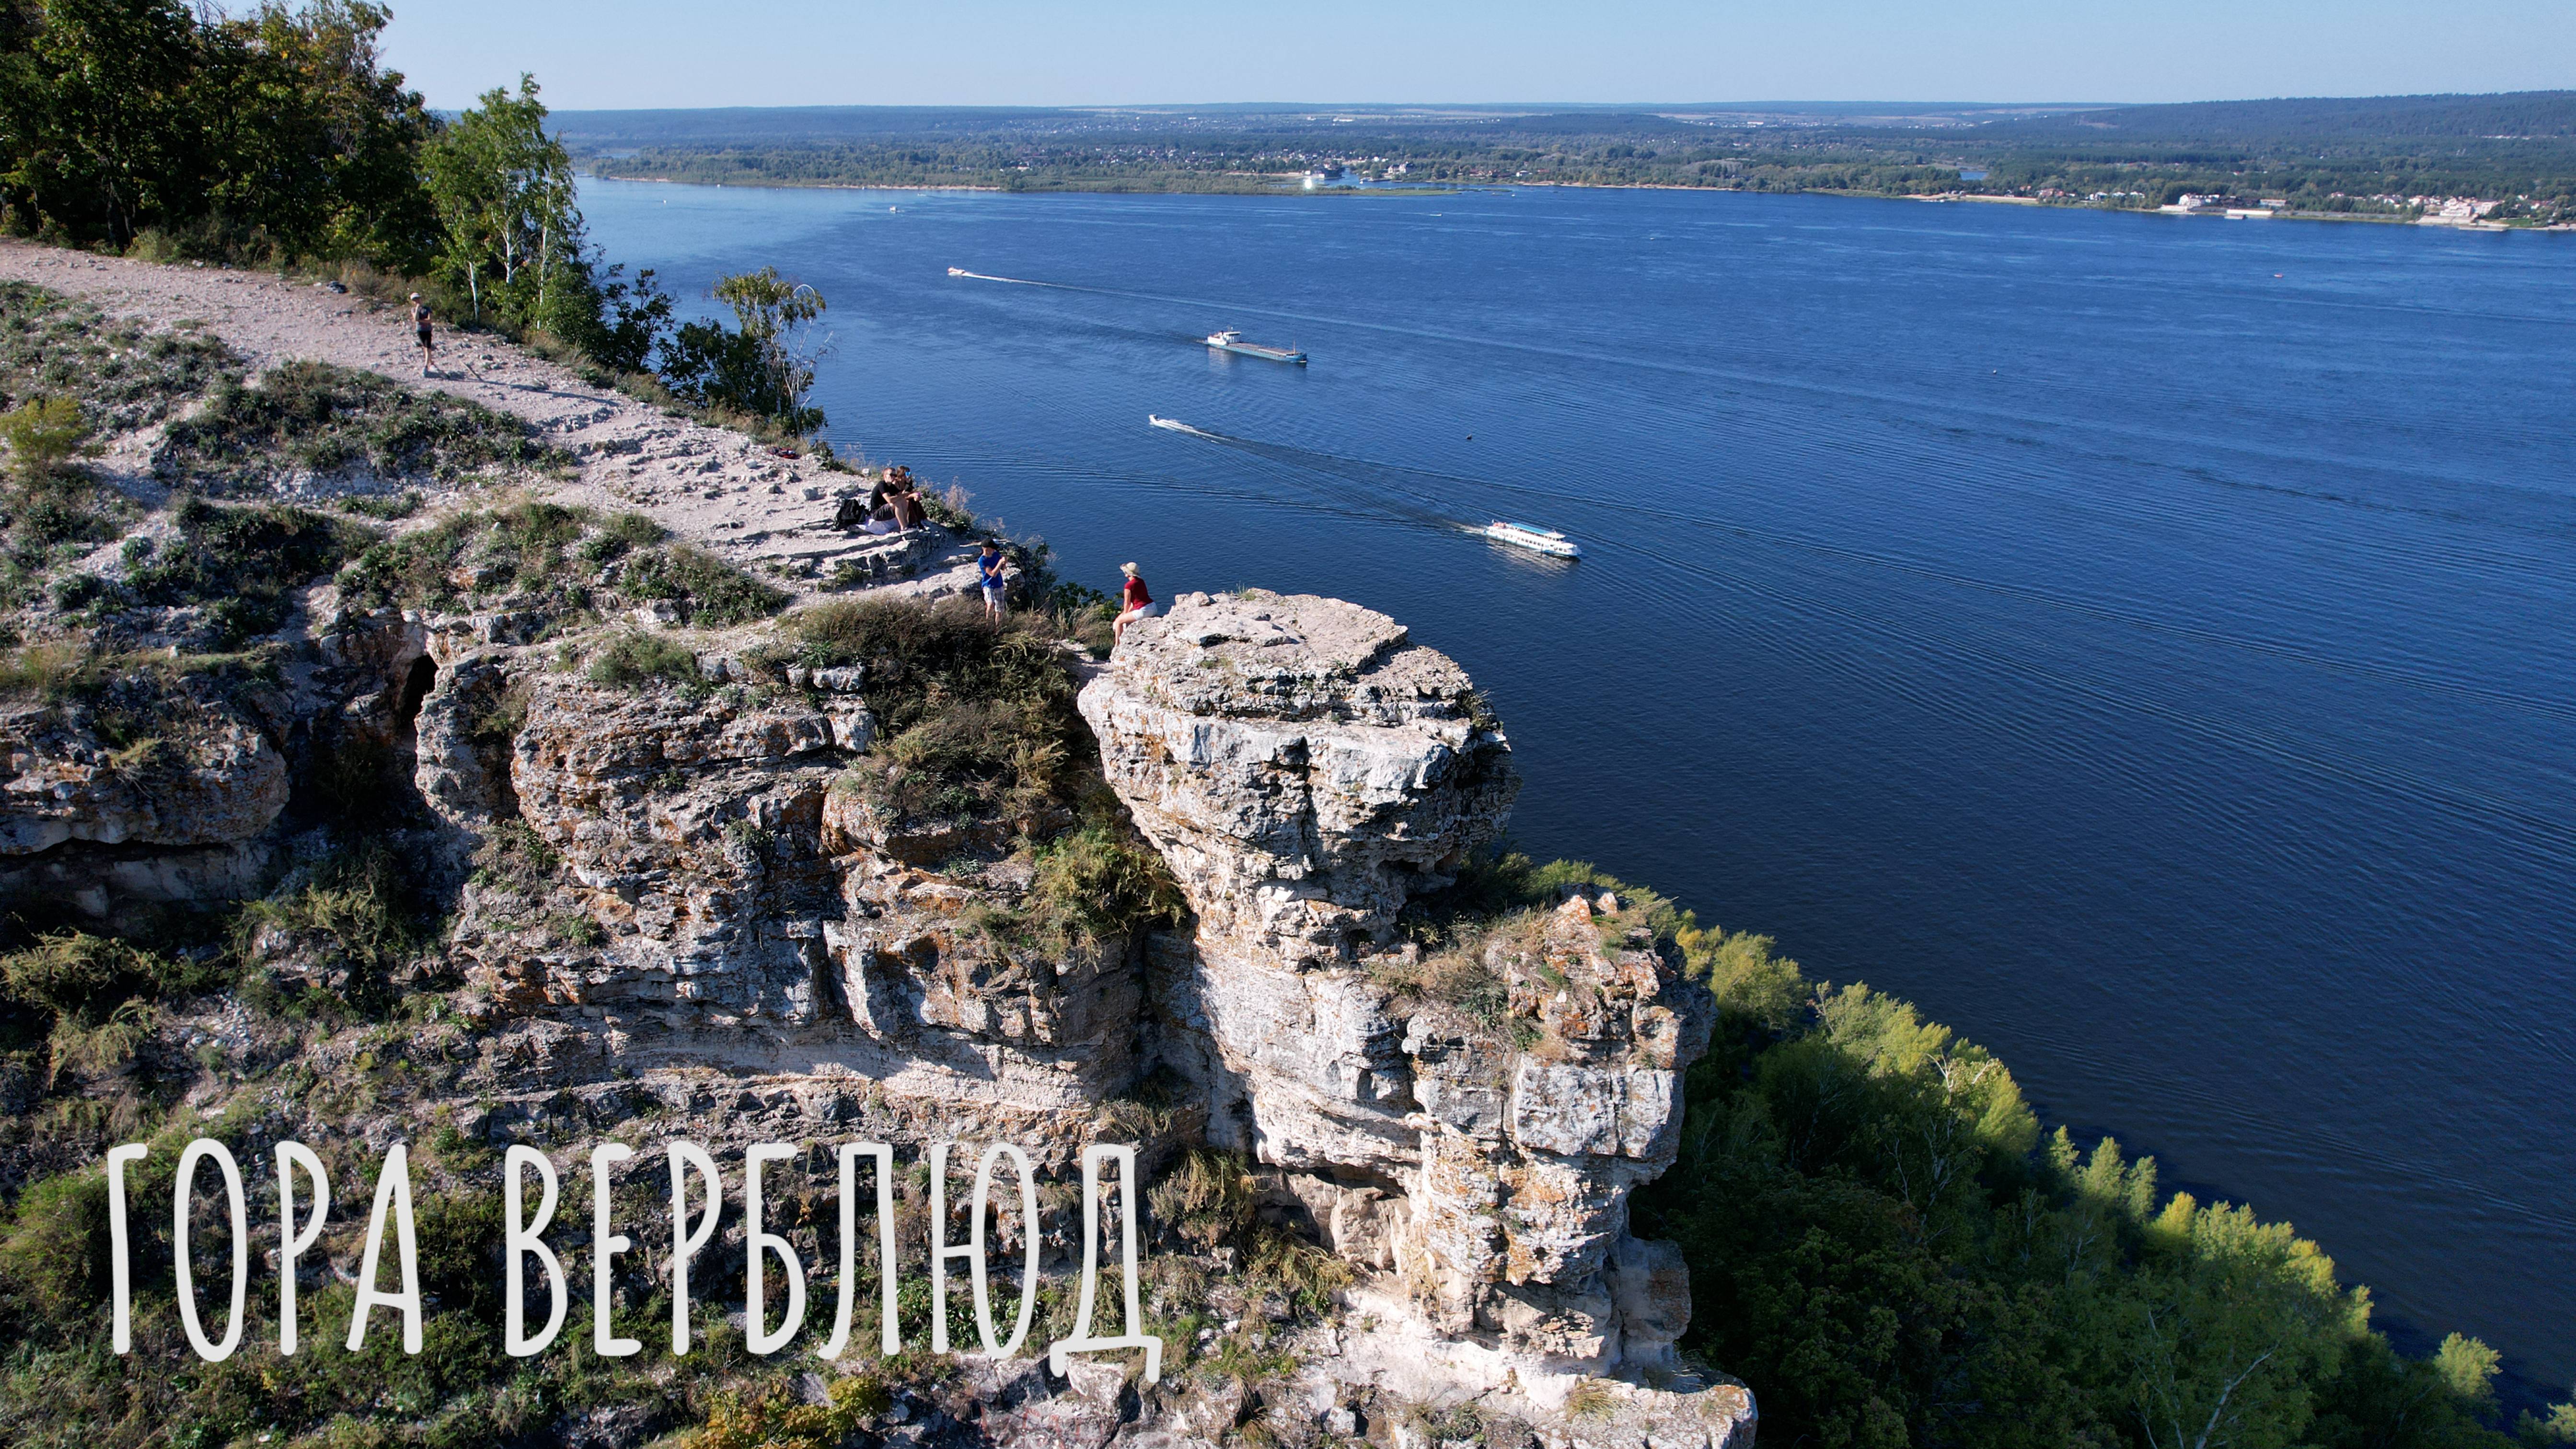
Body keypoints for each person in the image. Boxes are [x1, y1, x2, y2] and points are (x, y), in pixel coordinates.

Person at [1113, 561, 1158, 643]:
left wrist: (1124, 615)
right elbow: (1136, 601)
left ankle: (1117, 645)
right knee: (1122, 618)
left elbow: (1127, 603)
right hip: (1153, 607)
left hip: (1143, 611)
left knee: (1119, 622)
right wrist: (1125, 614)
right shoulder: (1141, 581)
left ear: (1127, 573)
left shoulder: (1129, 585)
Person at [977, 539, 1010, 619]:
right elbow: (992, 574)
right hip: (988, 585)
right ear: (986, 549)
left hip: (999, 584)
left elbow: (1002, 568)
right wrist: (1000, 562)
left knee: (1000, 610)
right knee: (991, 603)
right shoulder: (982, 560)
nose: (994, 550)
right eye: (992, 548)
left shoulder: (996, 555)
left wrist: (1004, 562)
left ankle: (997, 627)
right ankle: (988, 623)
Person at [409, 293, 435, 377]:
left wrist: (421, 321)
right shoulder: (414, 309)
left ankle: (426, 366)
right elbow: (416, 318)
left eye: (417, 299)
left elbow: (430, 320)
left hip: (427, 330)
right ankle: (430, 362)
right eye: (415, 300)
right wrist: (417, 309)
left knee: (428, 347)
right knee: (426, 347)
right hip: (420, 330)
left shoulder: (427, 309)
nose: (417, 301)